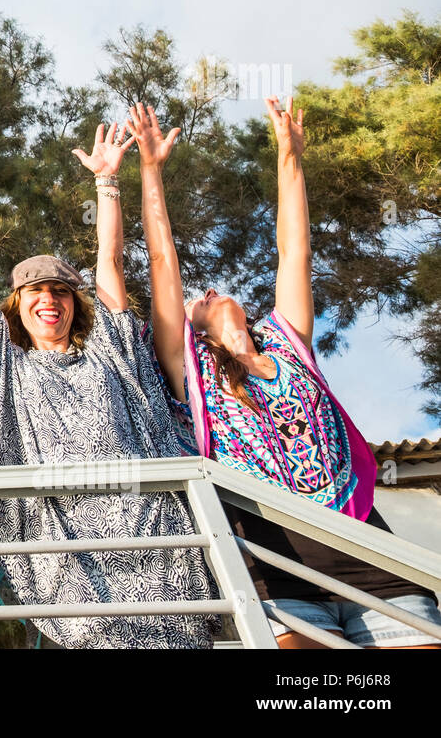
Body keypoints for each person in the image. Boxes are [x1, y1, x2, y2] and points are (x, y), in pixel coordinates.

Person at [128, 97, 441, 649]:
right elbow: (162, 265)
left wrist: (289, 157)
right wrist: (150, 170)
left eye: (214, 291)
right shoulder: (192, 372)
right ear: (191, 326)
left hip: (367, 546)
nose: (208, 292)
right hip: (273, 559)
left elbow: (294, 250)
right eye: (197, 299)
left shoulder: (286, 342)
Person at [0, 136, 217, 649]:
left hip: (154, 540)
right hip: (65, 550)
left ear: (74, 304)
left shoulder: (111, 351)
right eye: (36, 292)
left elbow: (109, 261)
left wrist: (106, 181)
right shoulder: (6, 369)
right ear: (17, 306)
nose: (49, 299)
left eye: (60, 291)